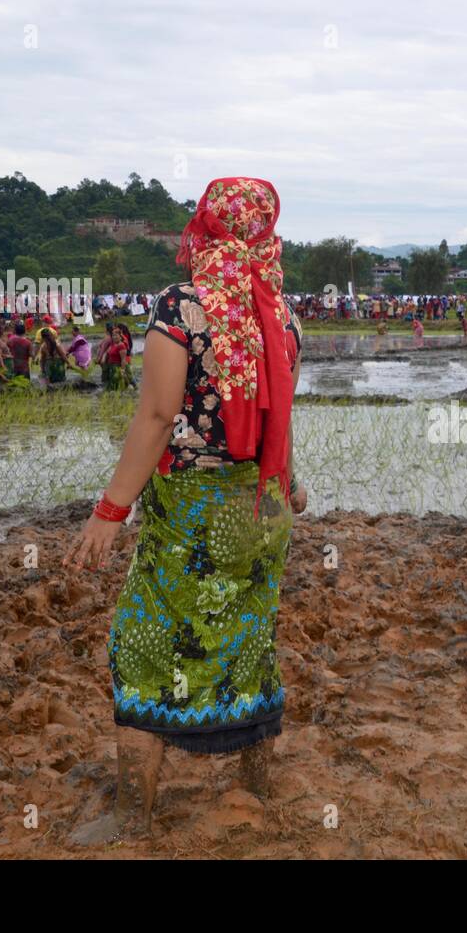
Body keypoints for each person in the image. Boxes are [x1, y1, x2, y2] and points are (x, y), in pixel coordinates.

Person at [64, 177, 308, 845]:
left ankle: (133, 816)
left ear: (206, 227)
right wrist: (291, 478)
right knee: (249, 633)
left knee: (141, 642)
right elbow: (278, 410)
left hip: (195, 513)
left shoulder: (182, 307)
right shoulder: (280, 310)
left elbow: (158, 414)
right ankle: (258, 787)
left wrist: (110, 513)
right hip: (264, 508)